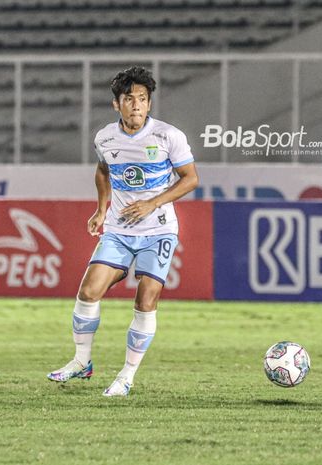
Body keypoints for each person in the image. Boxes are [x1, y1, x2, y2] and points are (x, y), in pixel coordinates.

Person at [47, 66, 199, 397]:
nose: (137, 105)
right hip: (118, 230)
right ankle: (82, 362)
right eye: (129, 99)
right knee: (88, 292)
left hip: (158, 231)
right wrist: (101, 209)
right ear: (117, 104)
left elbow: (190, 179)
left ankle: (127, 375)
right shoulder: (105, 137)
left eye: (143, 99)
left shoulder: (167, 137)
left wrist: (153, 203)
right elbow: (103, 171)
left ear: (149, 103)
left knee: (146, 297)